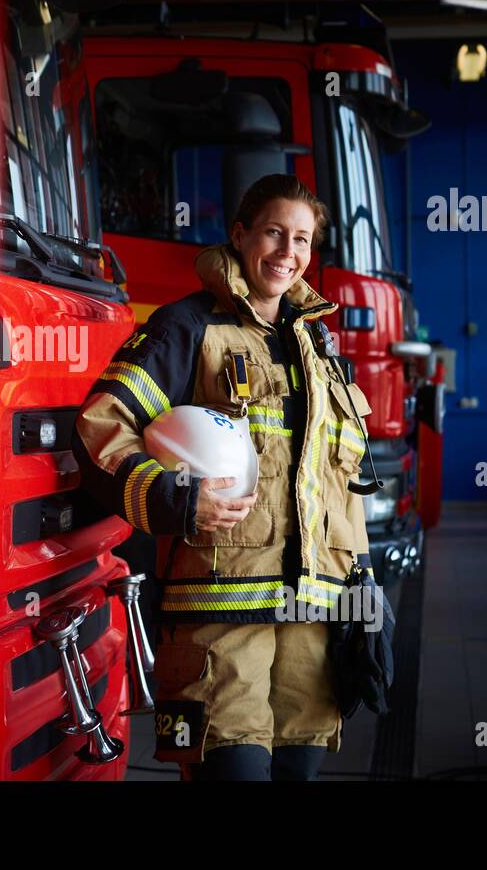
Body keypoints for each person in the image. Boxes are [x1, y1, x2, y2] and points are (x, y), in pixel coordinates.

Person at [71, 174, 375, 781]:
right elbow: (100, 425)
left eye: (303, 240)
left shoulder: (319, 346)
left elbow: (342, 483)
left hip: (312, 627)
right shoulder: (185, 327)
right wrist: (175, 498)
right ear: (240, 235)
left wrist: (367, 599)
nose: (288, 253)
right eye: (273, 233)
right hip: (220, 629)